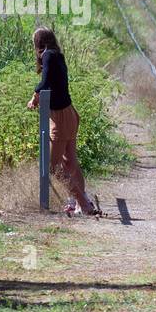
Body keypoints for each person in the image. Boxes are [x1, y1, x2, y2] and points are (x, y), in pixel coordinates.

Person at [27, 27, 98, 216]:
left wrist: (34, 97)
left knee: (52, 167)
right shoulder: (58, 54)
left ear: (38, 43)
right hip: (69, 114)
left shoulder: (48, 56)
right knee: (70, 162)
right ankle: (80, 203)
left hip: (60, 116)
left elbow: (45, 83)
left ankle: (84, 204)